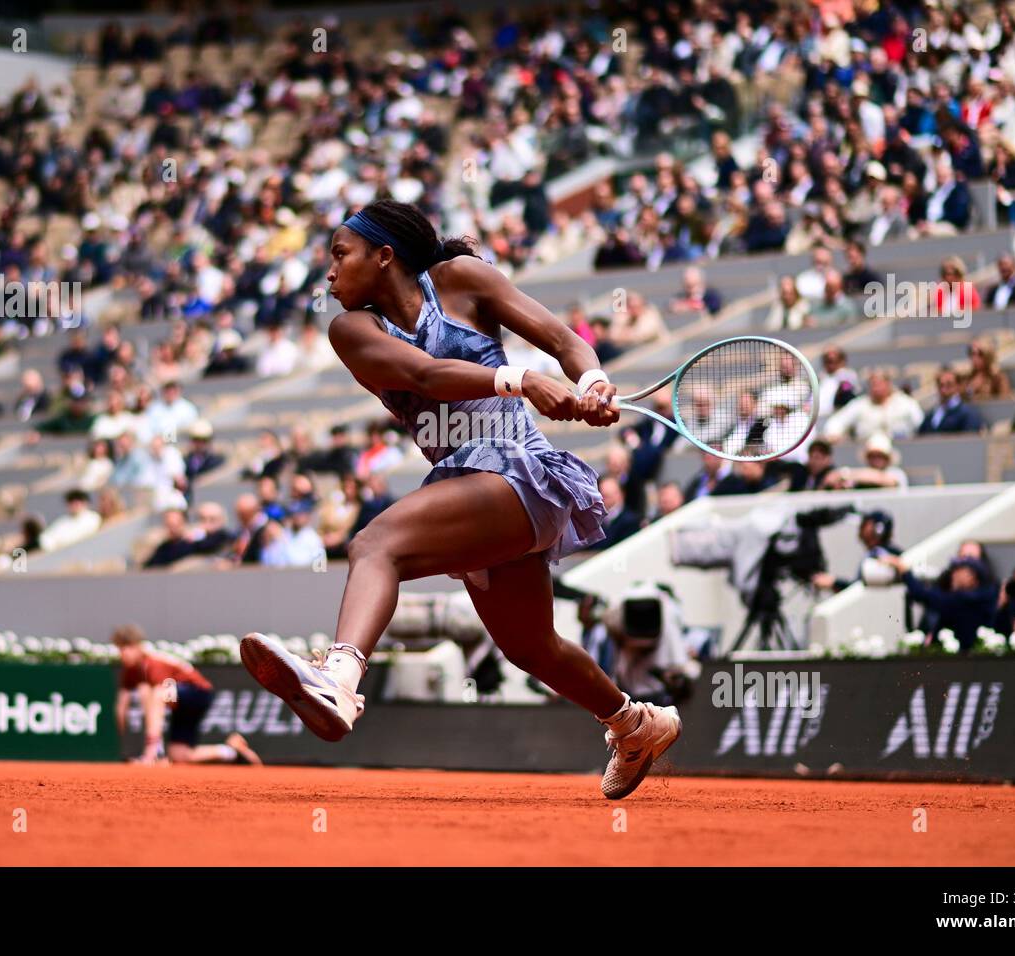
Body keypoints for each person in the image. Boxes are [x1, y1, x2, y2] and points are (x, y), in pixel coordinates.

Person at [236, 199, 681, 800]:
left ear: (384, 255)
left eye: (340, 255)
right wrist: (520, 380)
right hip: (470, 488)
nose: (330, 273)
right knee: (531, 648)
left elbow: (560, 339)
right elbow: (423, 375)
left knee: (375, 544)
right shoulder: (352, 330)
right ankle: (636, 725)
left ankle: (340, 678)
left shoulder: (464, 280)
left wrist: (592, 380)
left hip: (521, 471)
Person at [112, 624, 259, 766]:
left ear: (139, 646)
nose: (124, 652)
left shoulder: (154, 663)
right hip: (179, 701)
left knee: (158, 693)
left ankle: (153, 754)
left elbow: (159, 698)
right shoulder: (130, 671)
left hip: (198, 692)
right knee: (179, 755)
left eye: (128, 647)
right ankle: (231, 751)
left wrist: (151, 748)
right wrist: (121, 741)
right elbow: (122, 705)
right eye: (121, 648)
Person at [876, 554, 998, 651]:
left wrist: (903, 569)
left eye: (958, 571)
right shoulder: (966, 597)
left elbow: (923, 595)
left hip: (968, 663)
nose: (953, 575)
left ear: (971, 577)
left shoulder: (970, 599)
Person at [918, 367, 984, 434]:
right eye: (941, 385)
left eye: (949, 385)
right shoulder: (931, 415)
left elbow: (970, 439)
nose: (943, 390)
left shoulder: (968, 414)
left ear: (958, 386)